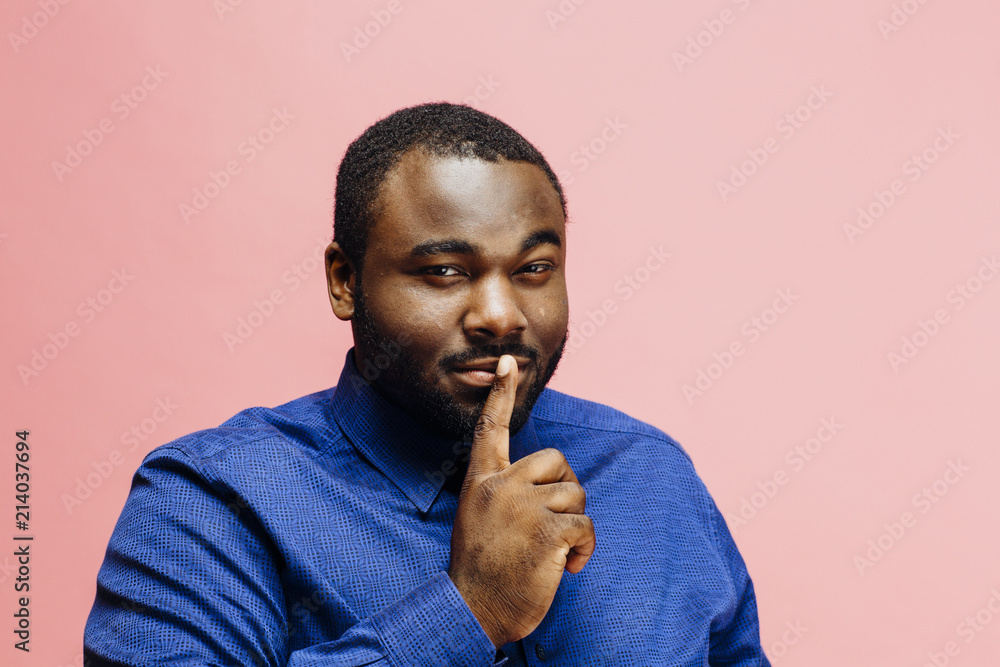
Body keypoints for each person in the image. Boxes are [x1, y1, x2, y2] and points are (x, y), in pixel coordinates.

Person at [84, 102, 770, 666]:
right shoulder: (212, 502)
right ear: (345, 281)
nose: (500, 315)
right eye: (444, 271)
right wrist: (470, 611)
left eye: (533, 269)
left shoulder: (651, 476)